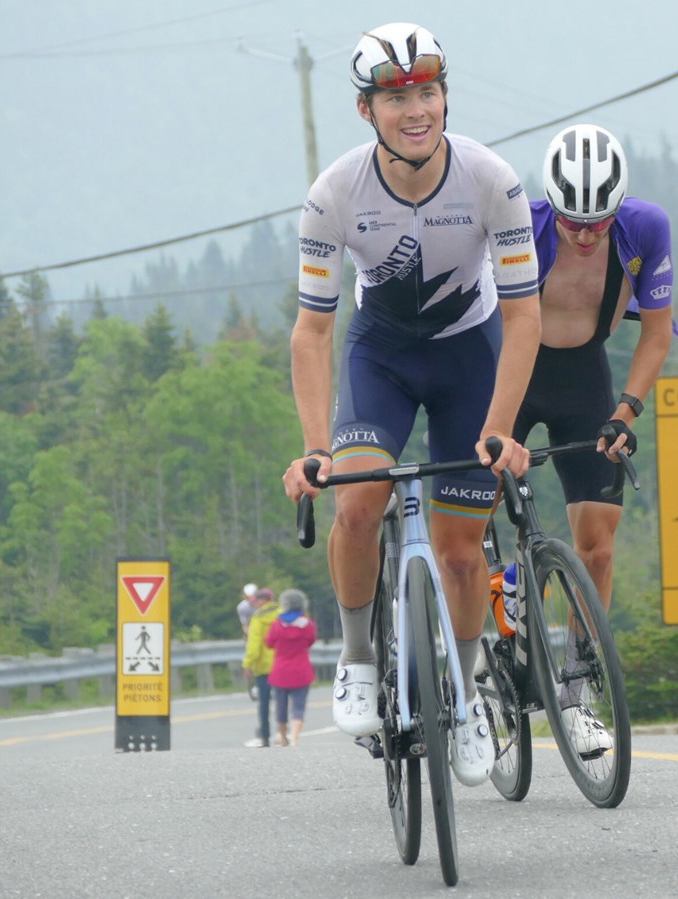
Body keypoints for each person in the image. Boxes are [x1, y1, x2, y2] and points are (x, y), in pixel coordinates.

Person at [280, 22, 537, 788]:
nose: (416, 110)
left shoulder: (493, 181)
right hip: (382, 356)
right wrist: (315, 446)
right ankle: (358, 654)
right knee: (358, 501)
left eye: (428, 93)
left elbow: (523, 316)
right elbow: (313, 331)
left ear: (446, 97)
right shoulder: (334, 194)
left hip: (469, 355)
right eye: (397, 99)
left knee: (461, 552)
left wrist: (500, 429)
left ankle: (466, 698)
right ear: (367, 110)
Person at [516, 123, 675, 755]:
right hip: (511, 373)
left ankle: (577, 693)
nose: (585, 235)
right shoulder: (522, 227)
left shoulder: (646, 229)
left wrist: (625, 412)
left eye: (598, 223)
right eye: (572, 222)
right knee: (466, 525)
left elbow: (656, 333)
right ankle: (484, 643)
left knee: (598, 549)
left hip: (585, 377)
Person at [266, 589, 319, 749]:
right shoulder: (307, 624)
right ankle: (295, 737)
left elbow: (269, 643)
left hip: (280, 671)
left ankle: (283, 737)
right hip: (301, 671)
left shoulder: (277, 625)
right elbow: (311, 641)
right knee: (298, 706)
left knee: (280, 707)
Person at [241, 588, 281, 747]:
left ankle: (265, 735)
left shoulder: (258, 618)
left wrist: (247, 664)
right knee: (282, 701)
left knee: (263, 703)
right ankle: (283, 733)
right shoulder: (281, 615)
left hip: (263, 668)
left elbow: (255, 645)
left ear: (261, 601)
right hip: (280, 665)